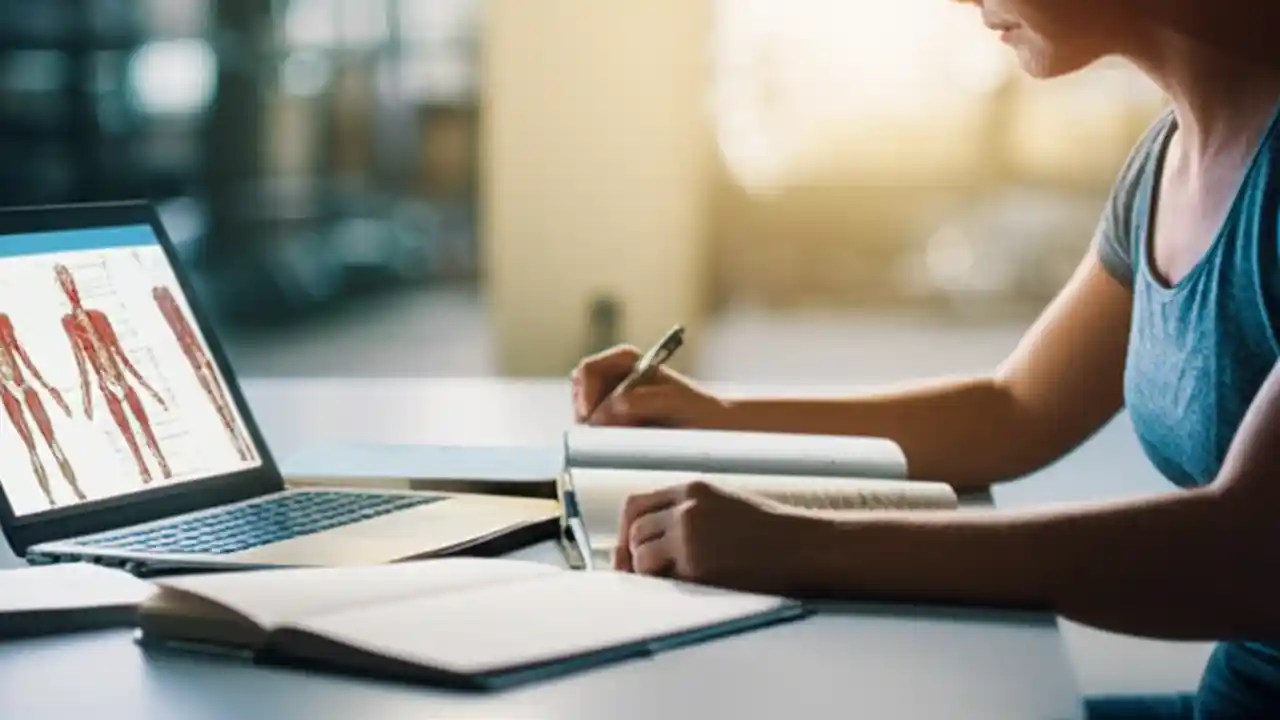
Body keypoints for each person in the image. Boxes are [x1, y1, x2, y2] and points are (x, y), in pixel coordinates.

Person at [571, 1, 1280, 717]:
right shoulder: (1168, 160)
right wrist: (710, 415)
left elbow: (1246, 552)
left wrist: (806, 547)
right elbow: (1013, 411)